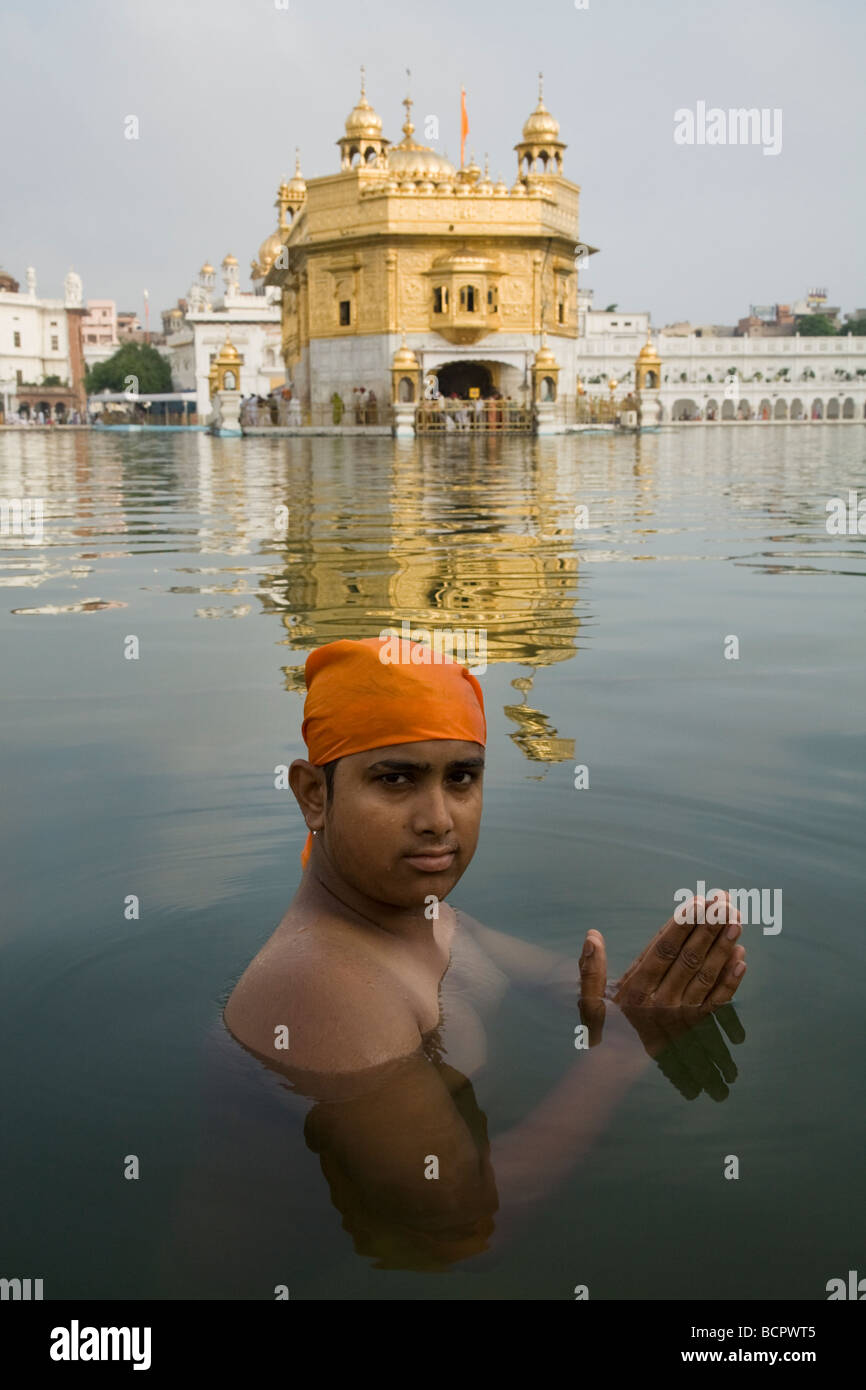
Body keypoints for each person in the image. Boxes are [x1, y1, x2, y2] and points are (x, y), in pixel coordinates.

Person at [223, 637, 747, 1263]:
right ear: (313, 794)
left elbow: (563, 982)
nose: (439, 818)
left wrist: (631, 1007)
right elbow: (462, 1220)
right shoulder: (320, 985)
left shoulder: (435, 918)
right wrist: (620, 1058)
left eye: (462, 778)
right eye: (395, 779)